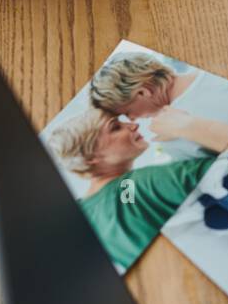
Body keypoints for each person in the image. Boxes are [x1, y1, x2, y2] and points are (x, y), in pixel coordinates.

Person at [50, 108, 217, 269]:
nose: (133, 125)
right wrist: (188, 127)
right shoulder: (137, 184)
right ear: (90, 157)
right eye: (115, 127)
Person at [90, 51, 228, 153]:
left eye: (127, 113)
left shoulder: (174, 138)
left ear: (143, 92)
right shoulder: (221, 69)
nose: (132, 120)